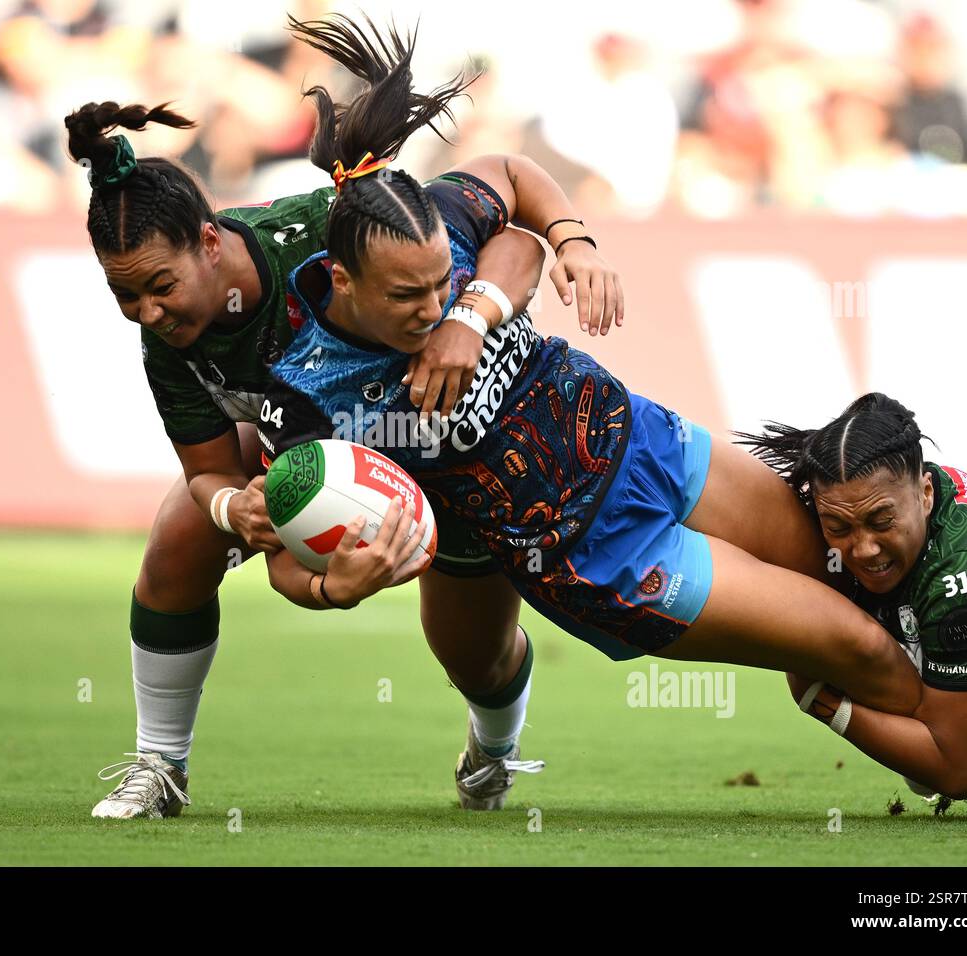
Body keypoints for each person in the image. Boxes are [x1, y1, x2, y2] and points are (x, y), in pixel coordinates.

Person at [256, 44, 932, 732]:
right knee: (856, 646)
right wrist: (325, 588)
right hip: (596, 555)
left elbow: (516, 198)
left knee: (848, 568)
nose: (432, 305)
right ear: (342, 280)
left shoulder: (431, 227)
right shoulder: (311, 393)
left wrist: (548, 260)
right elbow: (281, 549)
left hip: (643, 439)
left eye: (440, 283)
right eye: (409, 296)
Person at [65, 13, 625, 818]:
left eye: (159, 284)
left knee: (476, 654)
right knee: (181, 538)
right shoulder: (172, 346)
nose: (147, 311)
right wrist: (240, 511)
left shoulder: (331, 225)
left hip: (451, 438)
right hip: (321, 444)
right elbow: (208, 474)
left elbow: (507, 211)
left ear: (212, 242)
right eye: (124, 295)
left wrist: (518, 277)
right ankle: (160, 768)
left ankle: (493, 752)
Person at [741, 394, 967, 802]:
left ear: (926, 493)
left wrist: (823, 702)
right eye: (838, 527)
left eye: (881, 522)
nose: (863, 549)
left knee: (927, 764)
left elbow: (955, 775)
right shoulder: (900, 481)